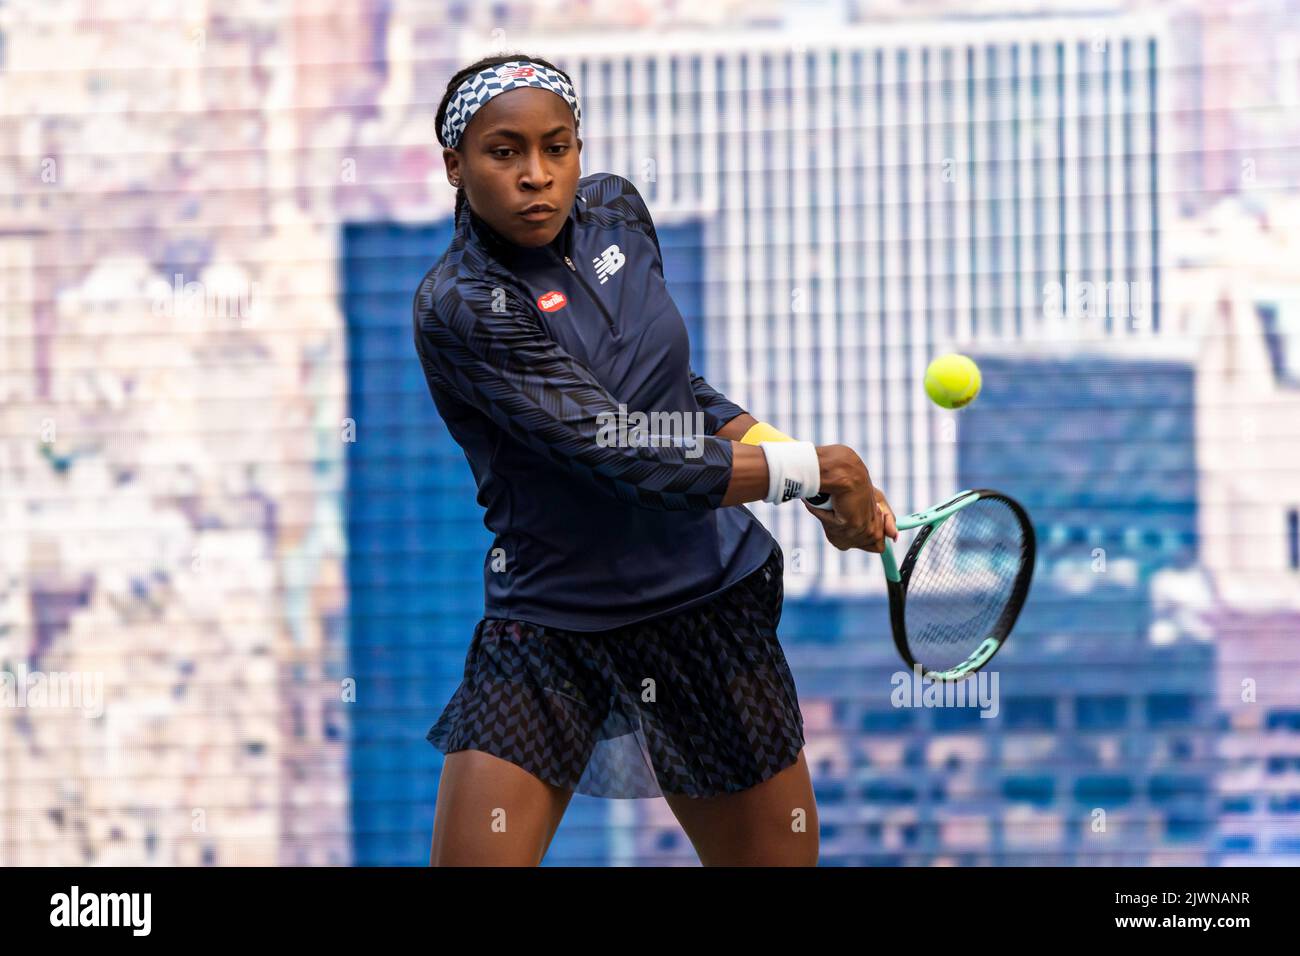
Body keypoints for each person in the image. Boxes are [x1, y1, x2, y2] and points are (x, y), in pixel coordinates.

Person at [414, 53, 897, 866]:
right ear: (455, 167)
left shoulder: (618, 211)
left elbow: (673, 391)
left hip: (704, 607)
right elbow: (623, 450)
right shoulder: (462, 305)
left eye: (556, 147)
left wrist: (781, 457)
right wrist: (820, 470)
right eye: (505, 153)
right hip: (549, 626)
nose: (537, 175)